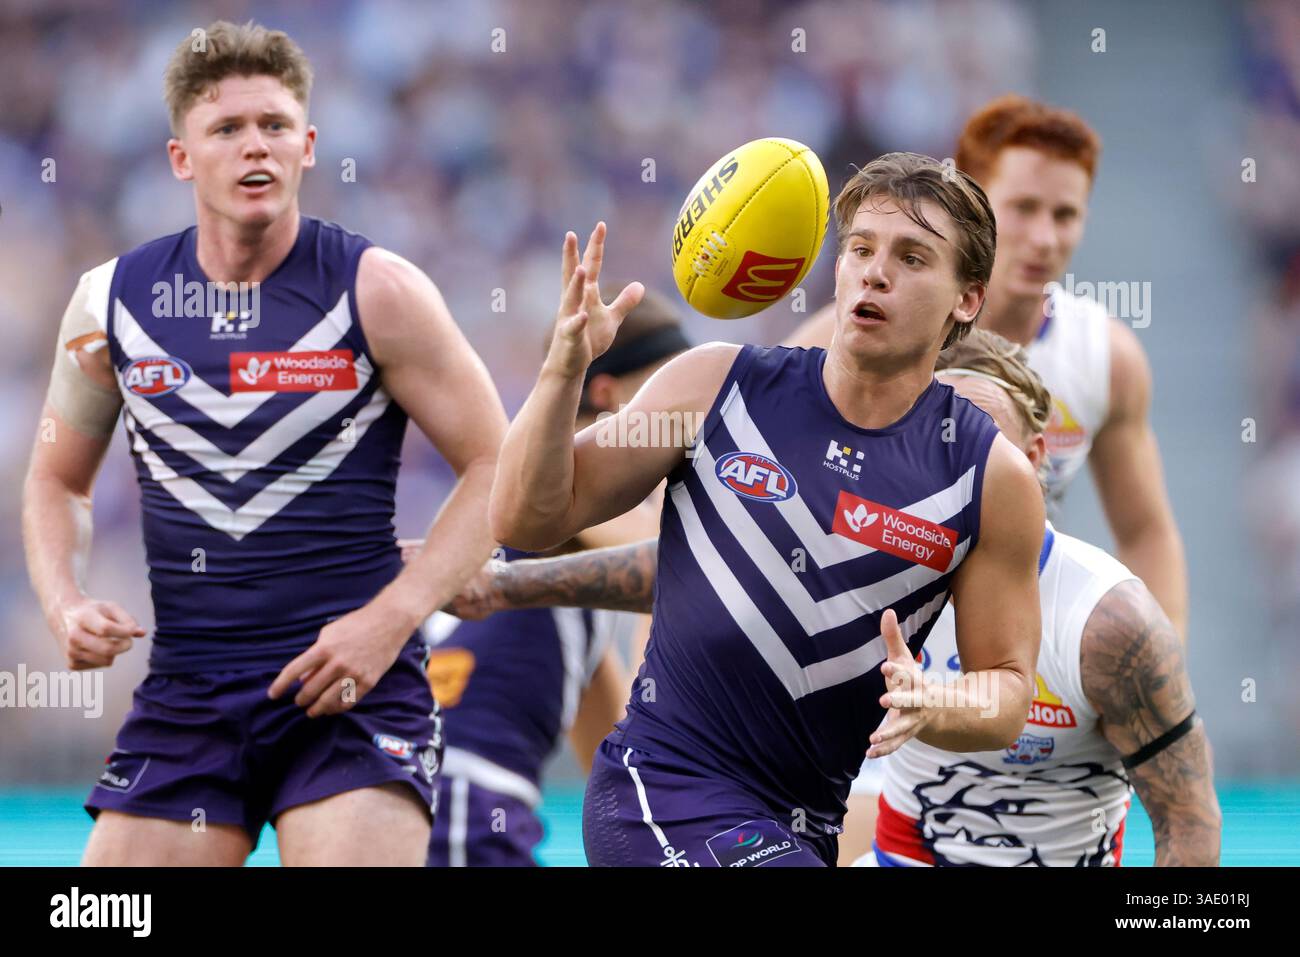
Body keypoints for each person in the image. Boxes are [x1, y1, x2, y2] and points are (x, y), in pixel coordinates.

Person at [21, 20, 507, 866]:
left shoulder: (379, 290)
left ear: (309, 145)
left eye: (276, 127)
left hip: (351, 688)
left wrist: (393, 618)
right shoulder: (111, 303)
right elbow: (56, 481)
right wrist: (63, 599)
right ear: (182, 158)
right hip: (187, 696)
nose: (257, 147)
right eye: (228, 129)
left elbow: (498, 464)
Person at [490, 152, 1045, 866]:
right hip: (659, 786)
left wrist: (933, 700)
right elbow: (526, 518)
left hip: (802, 825)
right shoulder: (714, 384)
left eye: (913, 257)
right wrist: (563, 371)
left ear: (967, 298)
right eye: (861, 251)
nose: (876, 273)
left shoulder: (989, 475)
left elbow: (1005, 693)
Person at [787, 95, 1188, 639]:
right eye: (1023, 208)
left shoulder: (1106, 358)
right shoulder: (856, 331)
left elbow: (1145, 532)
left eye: (1065, 214)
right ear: (972, 206)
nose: (1045, 238)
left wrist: (1162, 669)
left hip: (1013, 645)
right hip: (875, 641)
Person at [854, 331, 1220, 866]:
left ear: (1034, 458)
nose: (954, 467)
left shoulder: (1109, 621)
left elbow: (1188, 819)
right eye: (932, 440)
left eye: (984, 445)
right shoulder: (863, 574)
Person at [414, 290, 688, 866]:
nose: (691, 418)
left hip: (421, 799)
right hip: (464, 807)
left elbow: (611, 764)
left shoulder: (542, 560)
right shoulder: (563, 507)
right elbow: (694, 567)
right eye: (670, 393)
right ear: (609, 396)